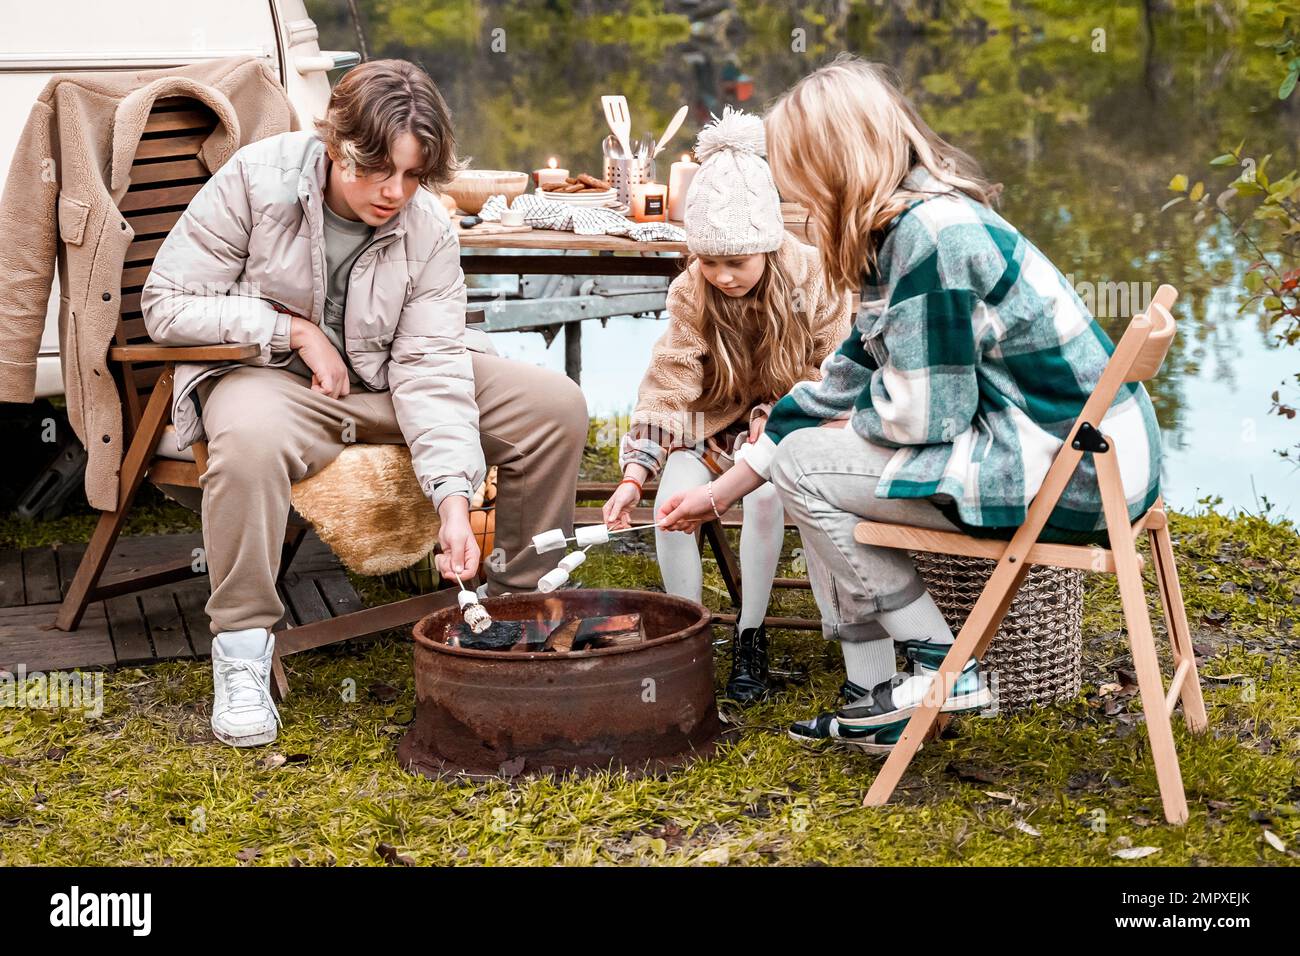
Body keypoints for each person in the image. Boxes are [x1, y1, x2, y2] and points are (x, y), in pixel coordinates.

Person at [657, 55, 1162, 751]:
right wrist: (728, 489)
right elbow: (852, 367)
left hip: (1071, 477)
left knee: (807, 469)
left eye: (799, 173)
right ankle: (877, 688)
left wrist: (842, 425)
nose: (794, 193)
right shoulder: (912, 223)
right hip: (1090, 455)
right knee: (805, 457)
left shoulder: (930, 240)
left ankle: (941, 665)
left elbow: (927, 416)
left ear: (835, 164)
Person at [141, 60, 589, 747]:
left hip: (389, 384)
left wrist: (454, 501)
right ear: (334, 144)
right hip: (280, 385)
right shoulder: (257, 180)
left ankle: (516, 615)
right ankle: (243, 648)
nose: (395, 192)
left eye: (413, 175)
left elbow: (430, 368)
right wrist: (291, 331)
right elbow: (167, 306)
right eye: (379, 170)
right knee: (248, 438)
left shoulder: (427, 225)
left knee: (552, 406)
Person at [603, 107, 850, 703]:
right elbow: (670, 380)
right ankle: (685, 638)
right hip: (708, 425)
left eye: (735, 262)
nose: (721, 276)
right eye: (708, 262)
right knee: (670, 502)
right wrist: (635, 474)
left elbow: (834, 368)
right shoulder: (692, 290)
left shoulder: (813, 276)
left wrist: (777, 415)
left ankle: (750, 634)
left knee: (762, 496)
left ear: (767, 244)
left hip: (788, 427)